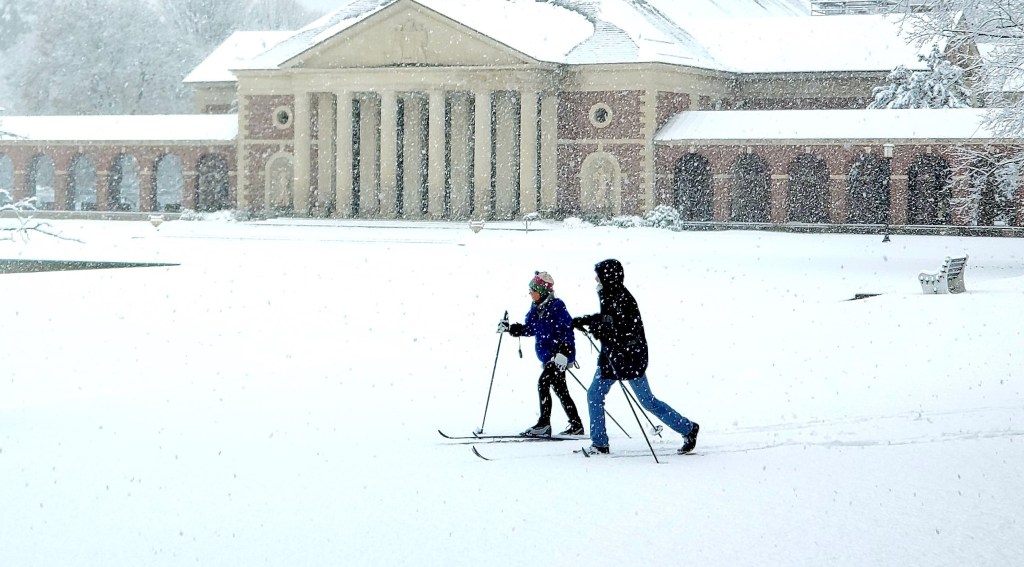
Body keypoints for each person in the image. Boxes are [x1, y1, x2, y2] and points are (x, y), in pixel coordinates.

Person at [571, 259, 699, 455]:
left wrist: (602, 330)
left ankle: (688, 428)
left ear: (609, 277)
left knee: (647, 401)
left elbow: (626, 333)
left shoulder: (624, 299)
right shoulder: (608, 295)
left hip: (629, 359)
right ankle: (599, 444)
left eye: (599, 275)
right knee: (594, 394)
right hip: (611, 358)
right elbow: (608, 321)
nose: (596, 279)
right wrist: (587, 320)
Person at [497, 271, 585, 437]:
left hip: (558, 357)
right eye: (530, 291)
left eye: (533, 291)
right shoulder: (536, 308)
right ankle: (576, 425)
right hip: (549, 357)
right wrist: (510, 328)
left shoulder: (557, 307)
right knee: (561, 390)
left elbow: (567, 331)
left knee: (543, 383)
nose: (530, 294)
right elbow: (530, 328)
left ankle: (544, 424)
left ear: (542, 291)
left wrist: (564, 353)